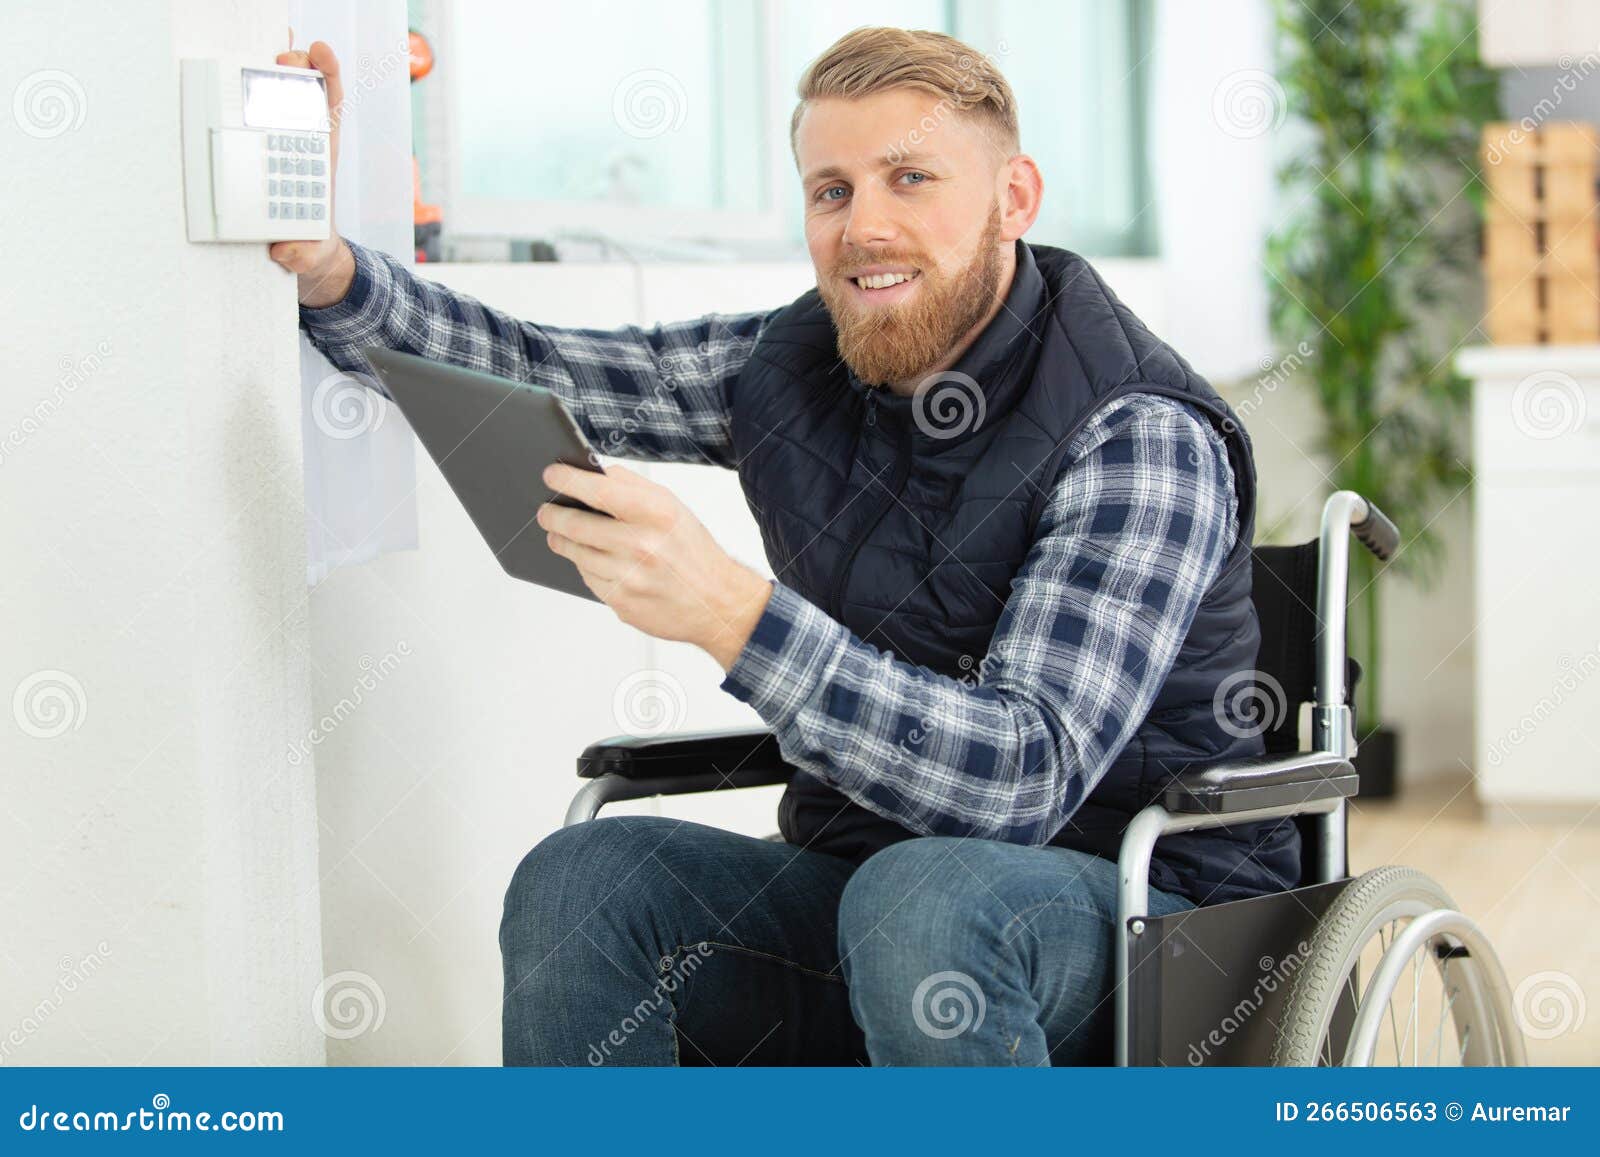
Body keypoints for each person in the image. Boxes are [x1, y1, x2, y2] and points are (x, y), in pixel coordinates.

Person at [279, 27, 1296, 1067]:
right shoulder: (790, 360)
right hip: (874, 897)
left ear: (1014, 197)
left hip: (1147, 915)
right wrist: (328, 269)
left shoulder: (1137, 432)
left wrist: (730, 612)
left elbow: (1021, 777)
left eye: (910, 179)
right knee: (583, 882)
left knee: (926, 898)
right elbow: (539, 370)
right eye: (832, 191)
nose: (867, 226)